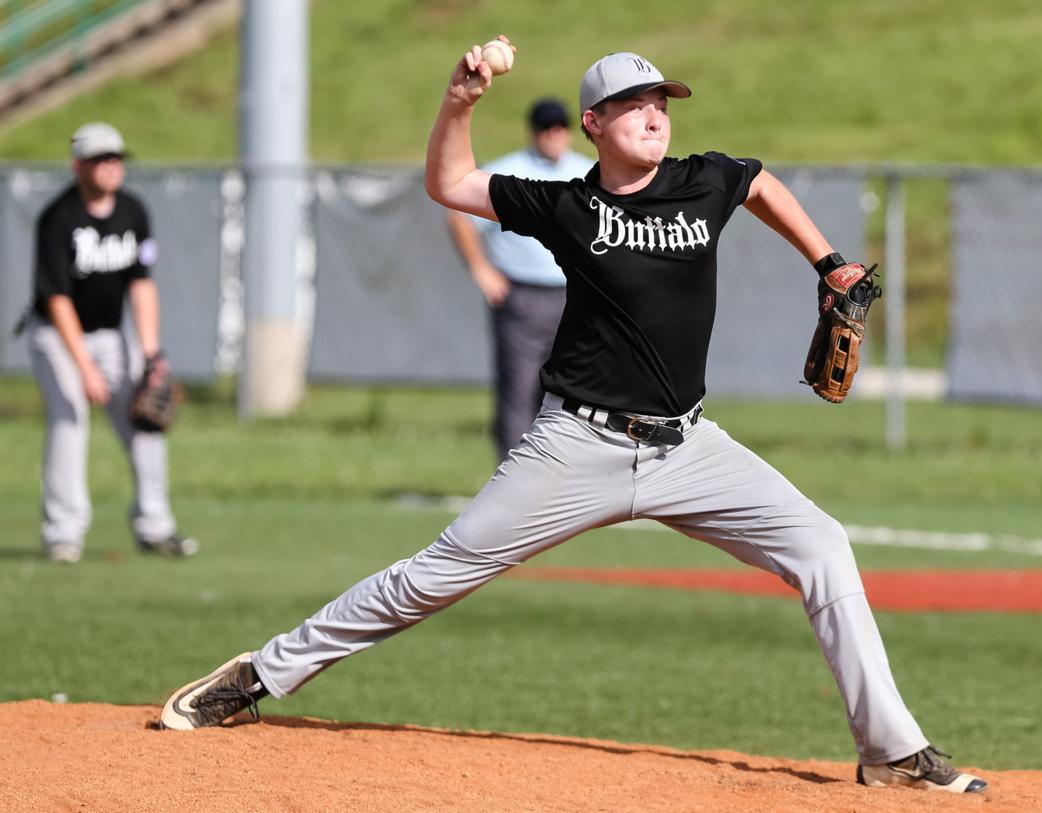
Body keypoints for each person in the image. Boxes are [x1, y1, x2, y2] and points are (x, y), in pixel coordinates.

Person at [159, 44, 986, 795]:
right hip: (577, 443)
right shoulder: (566, 206)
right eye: (633, 103)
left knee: (820, 543)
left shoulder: (704, 180)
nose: (655, 112)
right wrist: (460, 100)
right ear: (593, 123)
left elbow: (761, 180)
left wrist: (830, 259)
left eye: (662, 99)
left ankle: (891, 748)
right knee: (432, 576)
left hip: (691, 445)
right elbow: (448, 184)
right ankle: (256, 675)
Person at [26, 122, 197, 563]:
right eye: (100, 159)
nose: (110, 167)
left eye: (115, 158)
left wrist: (150, 353)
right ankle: (63, 533)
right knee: (69, 421)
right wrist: (83, 367)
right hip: (58, 336)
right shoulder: (59, 218)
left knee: (145, 421)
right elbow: (56, 297)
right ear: (78, 165)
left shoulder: (132, 212)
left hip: (111, 334)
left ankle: (155, 526)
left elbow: (141, 285)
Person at [446, 98, 593, 460]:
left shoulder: (591, 172)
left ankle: (564, 476)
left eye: (559, 127)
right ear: (534, 132)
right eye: (546, 128)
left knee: (574, 393)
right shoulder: (509, 170)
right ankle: (512, 480)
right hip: (523, 296)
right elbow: (460, 215)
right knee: (518, 390)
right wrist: (482, 270)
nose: (553, 135)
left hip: (578, 297)